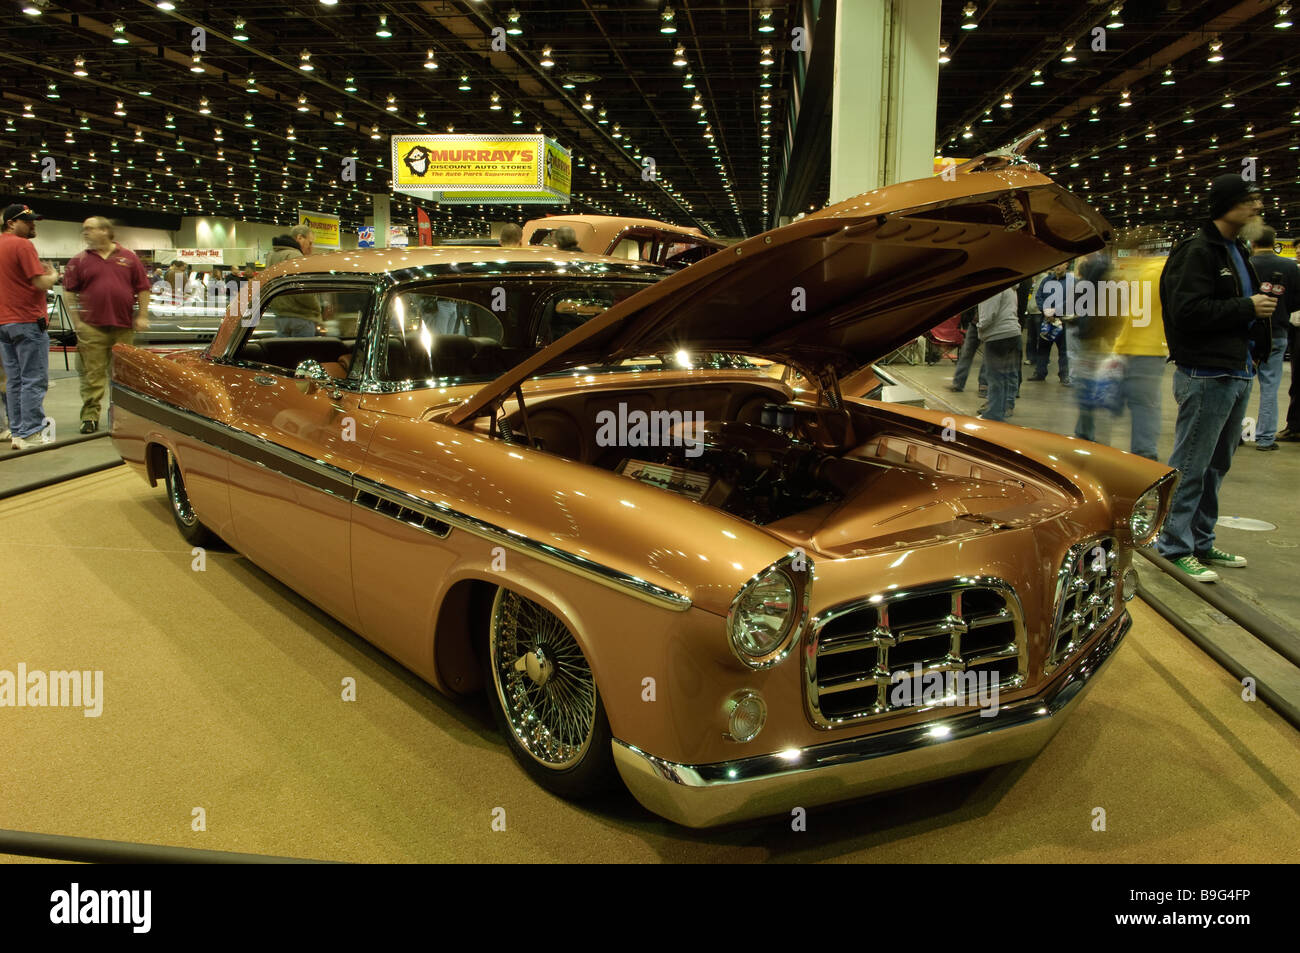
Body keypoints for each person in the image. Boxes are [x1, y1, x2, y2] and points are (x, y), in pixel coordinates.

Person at [1154, 173, 1275, 583]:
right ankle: (1173, 544)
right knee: (1191, 465)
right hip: (1206, 373)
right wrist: (1246, 307)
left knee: (1217, 465)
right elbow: (1186, 312)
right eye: (1250, 201)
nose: (1258, 207)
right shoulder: (1198, 252)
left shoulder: (1235, 249)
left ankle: (1201, 540)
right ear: (1227, 205)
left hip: (1237, 370)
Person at [62, 217, 151, 433]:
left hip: (123, 325)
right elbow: (68, 292)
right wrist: (76, 322)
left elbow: (143, 288)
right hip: (92, 327)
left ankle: (122, 416)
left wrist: (143, 315)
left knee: (123, 374)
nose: (85, 233)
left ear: (104, 231)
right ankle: (90, 417)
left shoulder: (129, 258)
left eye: (89, 229)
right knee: (92, 374)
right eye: (83, 229)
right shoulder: (79, 261)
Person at [0, 203, 57, 451]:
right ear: (11, 222)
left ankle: (16, 431)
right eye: (27, 221)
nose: (33, 225)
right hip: (27, 321)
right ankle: (31, 431)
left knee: (14, 380)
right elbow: (38, 282)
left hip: (4, 322)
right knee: (34, 379)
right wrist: (53, 275)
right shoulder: (23, 245)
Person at [1110, 255, 1168, 460]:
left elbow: (1136, 315)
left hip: (1140, 351)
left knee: (1143, 408)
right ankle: (1144, 454)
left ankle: (1145, 457)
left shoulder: (1151, 272)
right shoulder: (1161, 270)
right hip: (1152, 349)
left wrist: (1117, 346)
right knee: (1146, 406)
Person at [1247, 224, 1300, 451]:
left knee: (1241, 385)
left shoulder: (1246, 264)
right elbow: (1297, 300)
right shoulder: (1289, 266)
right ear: (1274, 241)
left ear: (1253, 243)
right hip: (1276, 333)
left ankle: (1232, 436)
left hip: (1246, 334)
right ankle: (1265, 438)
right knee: (1270, 386)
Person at [264, 225, 320, 336]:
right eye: (310, 243)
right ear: (300, 238)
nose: (311, 248)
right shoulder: (296, 256)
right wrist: (317, 308)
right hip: (301, 318)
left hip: (280, 316)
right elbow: (303, 291)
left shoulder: (272, 256)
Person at [974, 286, 1020, 422]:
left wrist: (979, 328)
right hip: (1013, 334)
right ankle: (1004, 407)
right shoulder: (1012, 287)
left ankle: (993, 414)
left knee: (995, 378)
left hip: (998, 336)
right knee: (1007, 376)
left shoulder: (993, 287)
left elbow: (988, 316)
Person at [1031, 262, 1072, 384]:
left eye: (1062, 264)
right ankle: (1040, 372)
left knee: (1063, 350)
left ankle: (1064, 375)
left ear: (1067, 265)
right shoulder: (1046, 280)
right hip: (1047, 321)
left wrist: (1055, 311)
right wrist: (1046, 312)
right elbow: (1039, 297)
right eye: (1057, 264)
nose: (1058, 266)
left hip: (1063, 320)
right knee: (1043, 348)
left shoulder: (1071, 282)